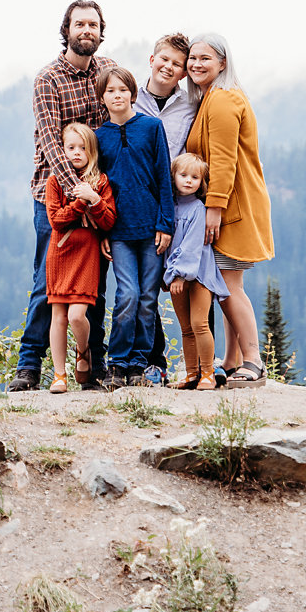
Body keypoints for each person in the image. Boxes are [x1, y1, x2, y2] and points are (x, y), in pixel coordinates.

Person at [9, 0, 114, 392]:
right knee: (46, 285)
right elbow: (53, 147)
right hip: (53, 196)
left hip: (97, 196)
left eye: (93, 24)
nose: (86, 30)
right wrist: (79, 194)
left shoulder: (107, 71)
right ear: (66, 30)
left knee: (94, 287)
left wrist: (97, 197)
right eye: (79, 24)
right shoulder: (48, 79)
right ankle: (29, 367)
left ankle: (95, 368)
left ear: (101, 31)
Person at [186, 33, 274, 389]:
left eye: (205, 58)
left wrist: (214, 208)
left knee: (228, 286)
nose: (195, 64)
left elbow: (223, 161)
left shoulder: (222, 101)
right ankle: (232, 360)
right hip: (233, 204)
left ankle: (253, 361)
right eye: (192, 58)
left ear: (223, 62)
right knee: (227, 283)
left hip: (230, 207)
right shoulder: (214, 97)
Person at [95, 65, 174, 389]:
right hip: (118, 232)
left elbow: (164, 179)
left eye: (122, 90)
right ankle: (117, 363)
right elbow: (97, 185)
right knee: (127, 295)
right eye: (111, 91)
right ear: (102, 98)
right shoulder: (99, 137)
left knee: (147, 300)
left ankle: (140, 365)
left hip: (152, 229)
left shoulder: (152, 128)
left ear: (133, 93)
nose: (117, 95)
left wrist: (165, 224)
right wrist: (102, 231)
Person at [133, 31, 196, 384]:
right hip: (136, 207)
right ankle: (152, 361)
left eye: (177, 64)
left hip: (176, 207)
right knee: (144, 286)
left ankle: (200, 364)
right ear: (151, 60)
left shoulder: (189, 106)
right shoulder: (129, 98)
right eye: (164, 60)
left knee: (182, 281)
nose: (169, 67)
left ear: (184, 73)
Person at [46, 123, 116, 393]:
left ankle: (83, 351)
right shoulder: (55, 181)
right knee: (59, 316)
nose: (76, 153)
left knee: (77, 316)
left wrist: (94, 199)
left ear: (92, 151)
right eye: (70, 147)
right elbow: (56, 219)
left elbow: (109, 221)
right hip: (61, 253)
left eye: (82, 147)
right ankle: (59, 374)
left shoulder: (100, 182)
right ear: (62, 151)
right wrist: (79, 203)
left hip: (87, 256)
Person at [163, 152, 229, 391]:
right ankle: (191, 375)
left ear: (202, 182)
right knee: (185, 328)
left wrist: (179, 274)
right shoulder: (168, 207)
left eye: (195, 177)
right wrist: (167, 274)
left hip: (198, 273)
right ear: (173, 177)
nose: (189, 181)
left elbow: (192, 246)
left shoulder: (199, 209)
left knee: (200, 323)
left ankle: (208, 373)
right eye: (183, 175)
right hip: (175, 276)